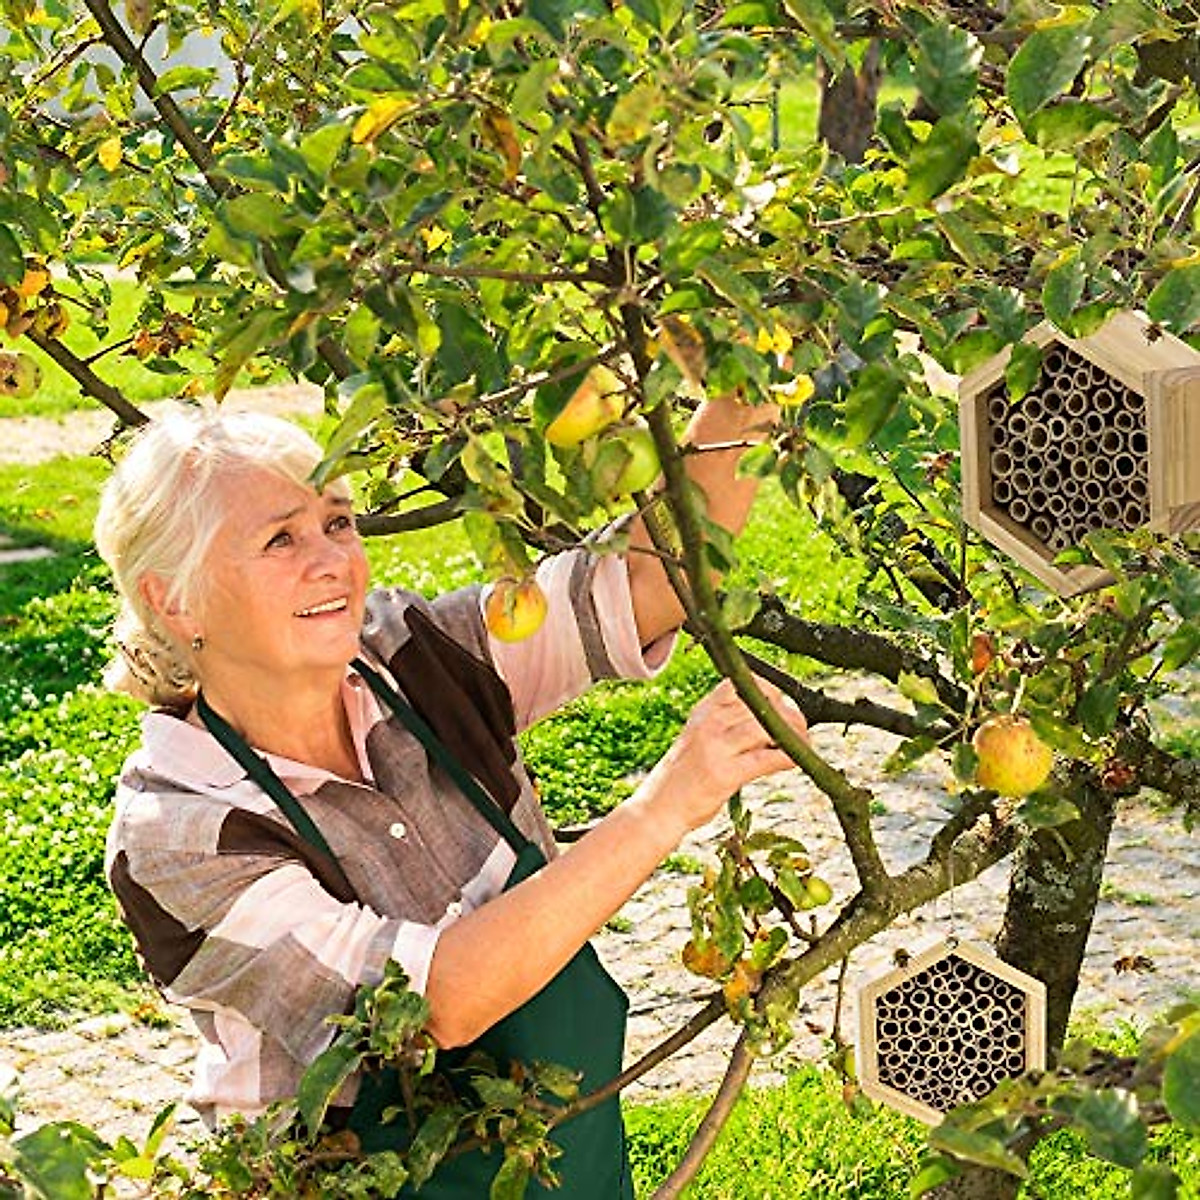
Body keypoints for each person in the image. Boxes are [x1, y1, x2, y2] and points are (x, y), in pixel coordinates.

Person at [94, 395, 809, 1197]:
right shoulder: (184, 830)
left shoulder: (416, 659)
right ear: (173, 598)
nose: (331, 561)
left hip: (560, 1162)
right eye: (279, 538)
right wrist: (664, 806)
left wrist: (737, 395)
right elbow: (430, 1007)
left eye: (338, 522)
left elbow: (647, 584)